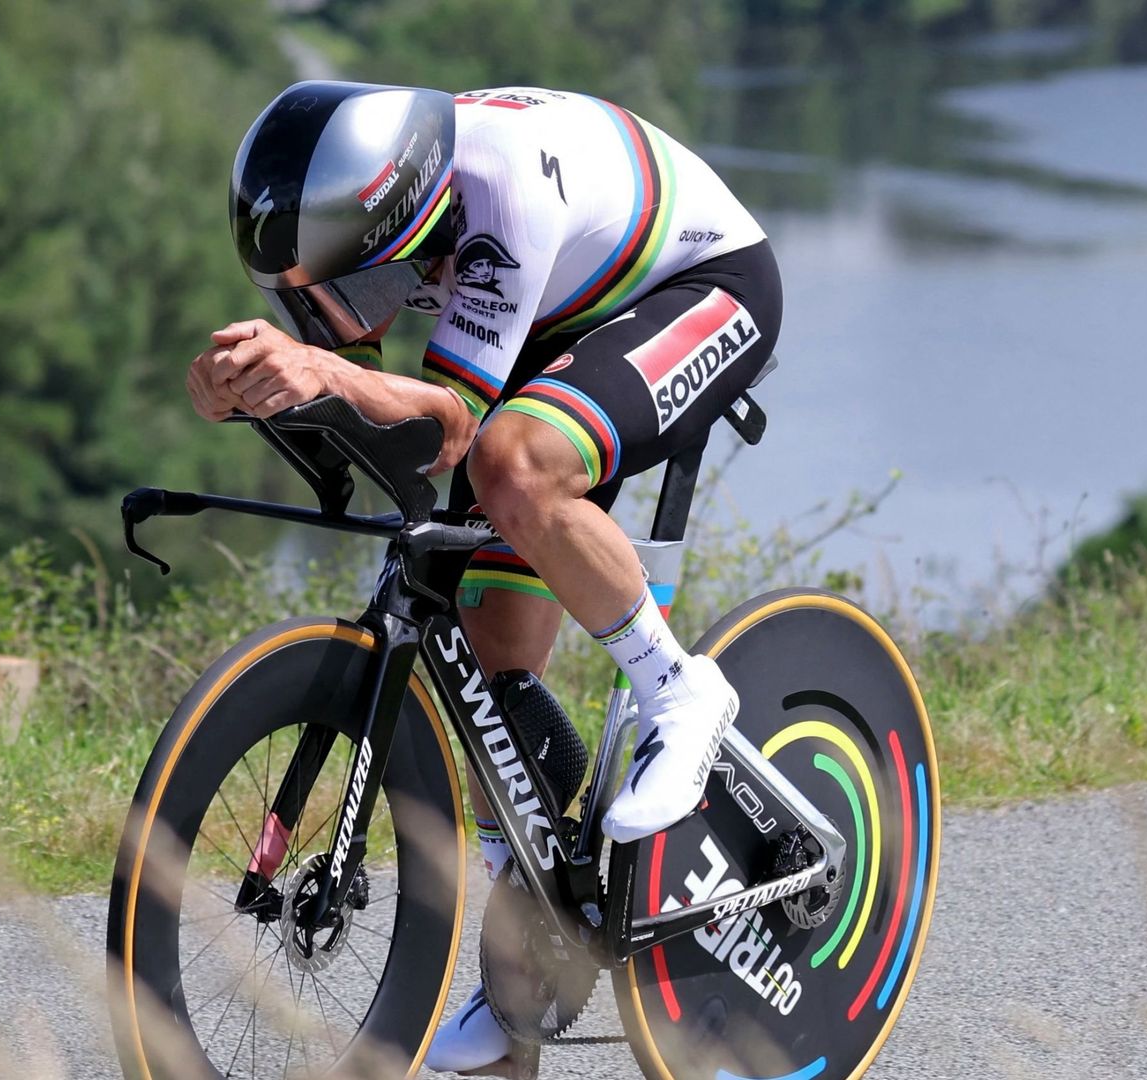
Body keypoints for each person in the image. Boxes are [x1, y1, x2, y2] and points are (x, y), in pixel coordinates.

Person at [186, 81, 781, 1073]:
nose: (328, 307)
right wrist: (248, 389)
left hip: (698, 284)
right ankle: (526, 957)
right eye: (303, 292)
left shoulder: (501, 192)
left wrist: (322, 373)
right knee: (483, 665)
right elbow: (368, 406)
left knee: (512, 464)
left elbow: (456, 427)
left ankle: (680, 688)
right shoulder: (356, 211)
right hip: (557, 313)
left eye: (338, 284)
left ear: (402, 222)